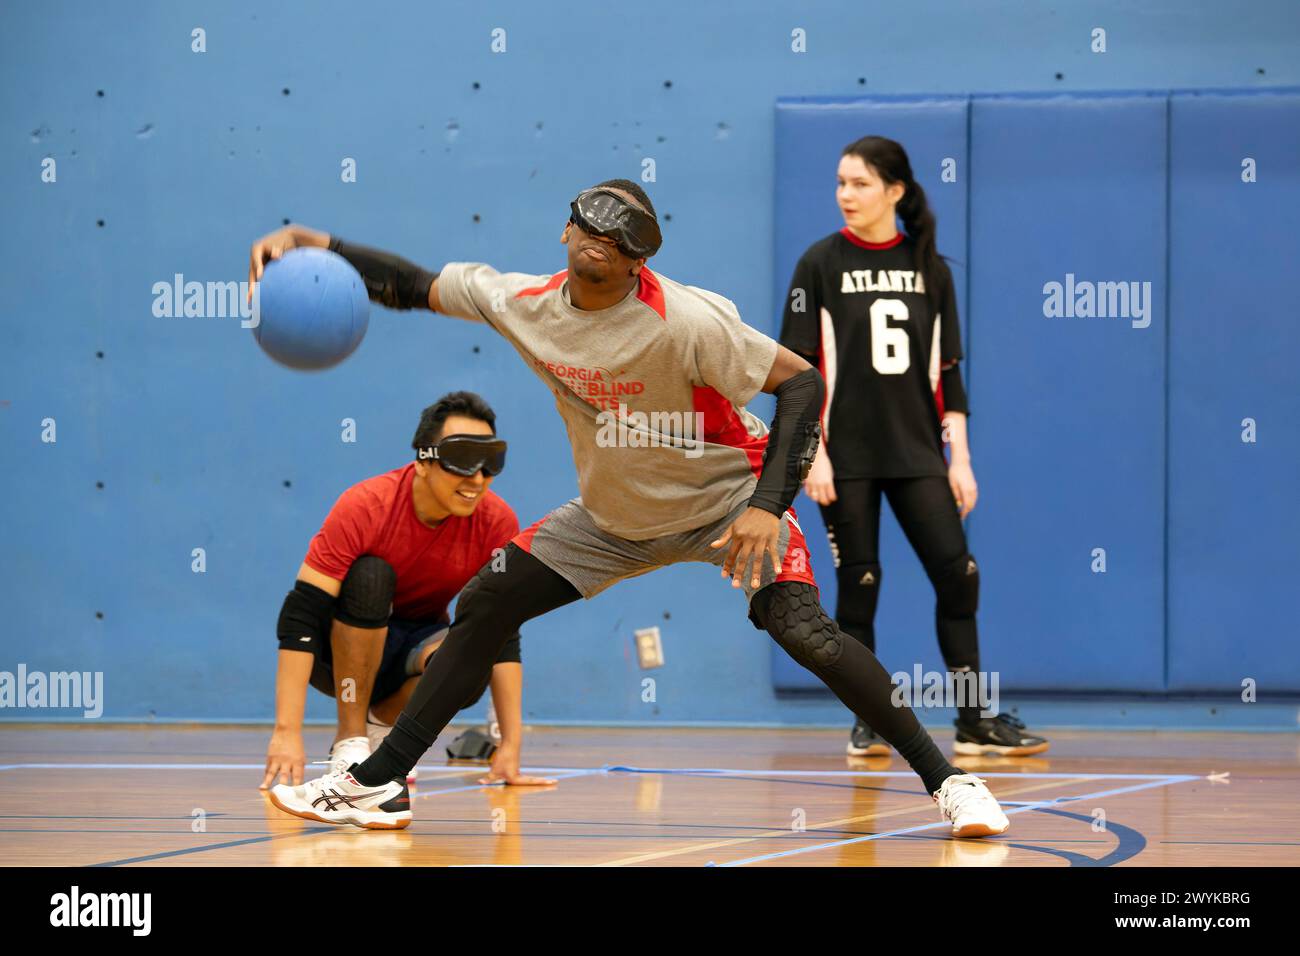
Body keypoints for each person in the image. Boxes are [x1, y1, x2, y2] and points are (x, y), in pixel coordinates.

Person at [250, 179, 1010, 836]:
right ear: (567, 231)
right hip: (611, 521)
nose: (595, 243)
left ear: (637, 259)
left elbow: (803, 385)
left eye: (617, 238)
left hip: (727, 503)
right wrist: (320, 242)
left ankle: (950, 782)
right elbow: (412, 286)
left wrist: (768, 508)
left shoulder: (686, 322)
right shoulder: (526, 303)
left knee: (805, 633)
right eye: (587, 226)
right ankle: (381, 781)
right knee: (487, 600)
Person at [780, 136, 1049, 758]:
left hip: (919, 455)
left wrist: (961, 458)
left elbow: (947, 374)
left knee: (959, 575)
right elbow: (795, 371)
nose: (846, 195)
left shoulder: (931, 268)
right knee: (861, 583)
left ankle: (975, 720)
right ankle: (869, 719)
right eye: (841, 182)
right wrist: (811, 453)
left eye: (860, 184)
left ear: (894, 191)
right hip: (843, 459)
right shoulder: (817, 264)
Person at [260, 392, 555, 794]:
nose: (476, 478)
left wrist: (510, 746)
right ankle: (350, 742)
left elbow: (504, 632)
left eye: (490, 463)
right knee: (371, 577)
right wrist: (286, 733)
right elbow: (301, 615)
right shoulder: (366, 505)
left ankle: (383, 731)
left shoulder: (495, 521)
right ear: (423, 460)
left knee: (475, 651)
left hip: (414, 651)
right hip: (339, 654)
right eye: (462, 459)